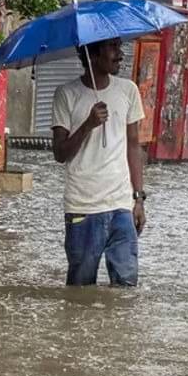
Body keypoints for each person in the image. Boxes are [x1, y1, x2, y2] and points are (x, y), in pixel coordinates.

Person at [50, 38, 146, 287]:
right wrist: (88, 125)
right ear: (92, 54)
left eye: (119, 46)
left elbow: (134, 146)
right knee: (80, 292)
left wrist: (138, 199)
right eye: (112, 48)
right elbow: (60, 153)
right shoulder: (66, 94)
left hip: (121, 206)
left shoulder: (128, 90)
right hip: (83, 206)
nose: (120, 54)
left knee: (126, 288)